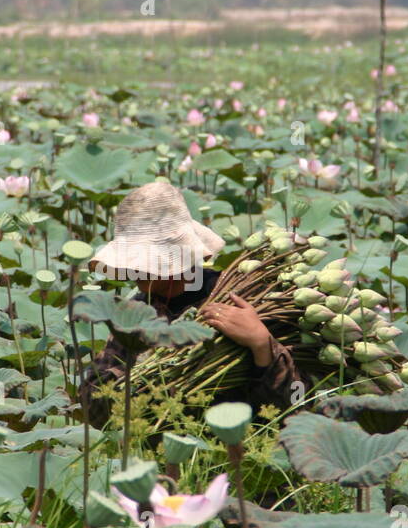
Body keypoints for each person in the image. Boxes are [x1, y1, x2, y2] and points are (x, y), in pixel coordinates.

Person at [78, 181, 306, 429]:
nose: (135, 268)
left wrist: (262, 344)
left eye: (144, 259)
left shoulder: (239, 302)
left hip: (229, 449)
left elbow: (298, 405)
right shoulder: (134, 312)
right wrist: (144, 372)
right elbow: (95, 409)